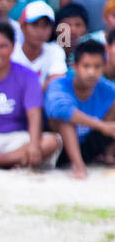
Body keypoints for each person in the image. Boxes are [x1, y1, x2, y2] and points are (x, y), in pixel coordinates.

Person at [0, 20, 62, 166]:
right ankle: (14, 161)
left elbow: (34, 114)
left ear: (13, 47)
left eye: (2, 46)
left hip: (18, 138)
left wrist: (33, 145)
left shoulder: (28, 75)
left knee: (52, 141)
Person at [45, 38, 115, 176]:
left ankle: (108, 154)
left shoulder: (107, 88)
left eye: (97, 67)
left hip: (90, 144)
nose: (91, 72)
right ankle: (79, 167)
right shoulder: (59, 85)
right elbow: (61, 110)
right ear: (75, 66)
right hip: (60, 147)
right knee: (65, 120)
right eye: (86, 66)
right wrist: (101, 125)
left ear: (104, 66)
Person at [13, 0, 68, 88]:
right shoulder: (10, 51)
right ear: (23, 27)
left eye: (45, 25)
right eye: (35, 24)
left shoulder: (55, 50)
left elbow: (57, 81)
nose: (40, 31)